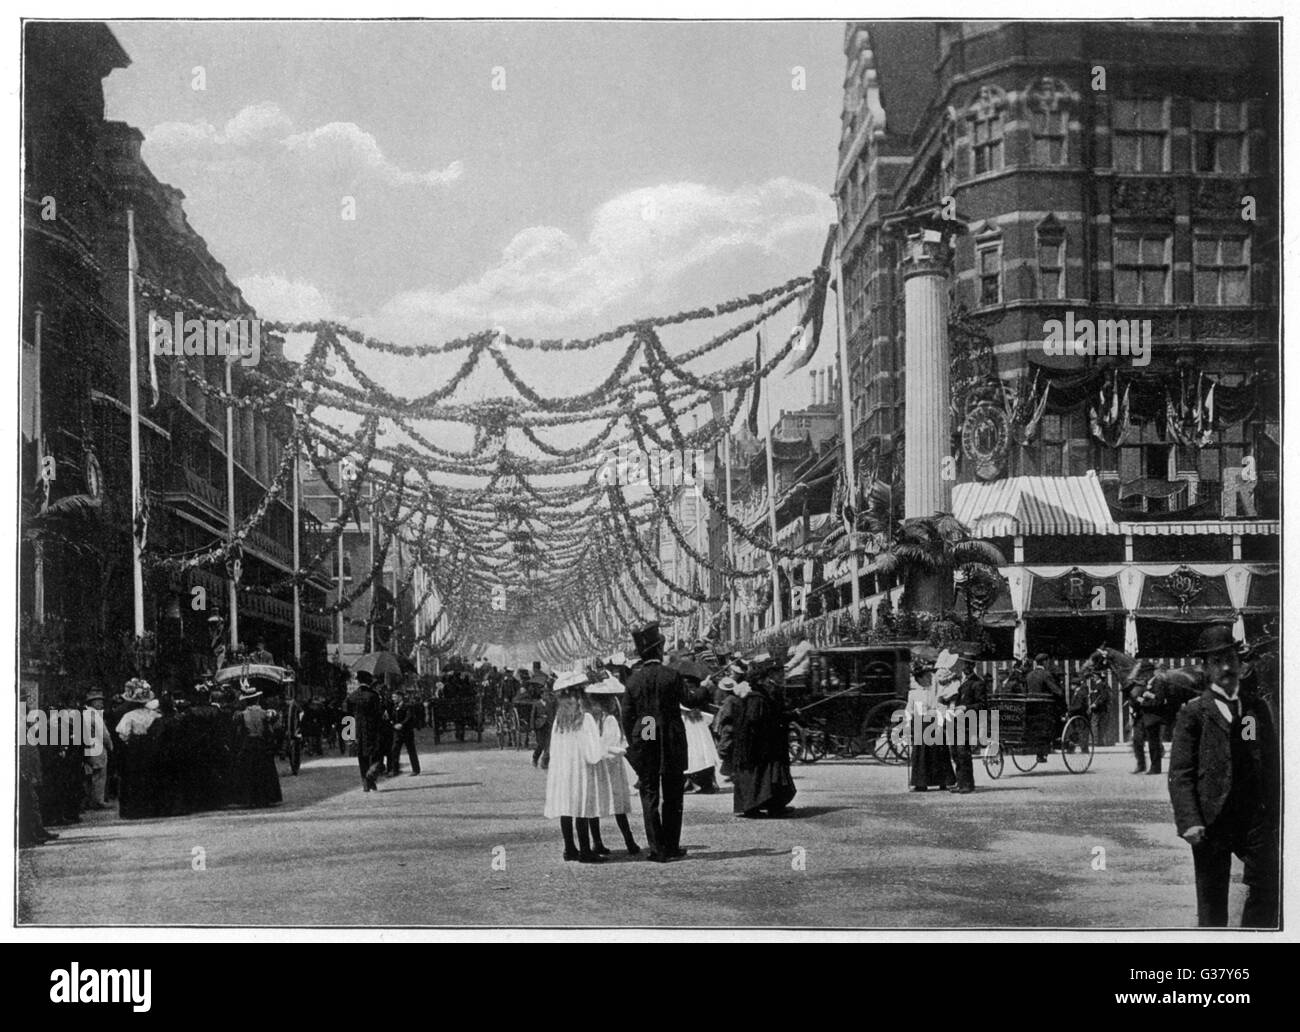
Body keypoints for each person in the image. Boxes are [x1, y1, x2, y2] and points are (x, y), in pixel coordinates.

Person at [1168, 625, 1279, 928]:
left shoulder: (1255, 709)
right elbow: (1180, 773)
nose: (1227, 667)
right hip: (1211, 818)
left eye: (1230, 658)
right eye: (1217, 661)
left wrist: (1276, 812)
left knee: (1269, 883)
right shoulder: (1194, 713)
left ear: (1240, 661)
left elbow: (1269, 763)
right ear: (1205, 668)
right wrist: (1189, 820)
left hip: (1253, 816)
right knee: (1212, 899)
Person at [623, 622, 689, 861]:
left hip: (647, 736)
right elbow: (690, 701)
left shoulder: (633, 681)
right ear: (659, 650)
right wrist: (707, 687)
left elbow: (627, 718)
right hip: (671, 740)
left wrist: (635, 744)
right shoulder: (672, 675)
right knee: (673, 794)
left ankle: (657, 848)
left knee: (650, 793)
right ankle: (672, 845)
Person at [544, 670, 605, 863]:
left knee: (566, 807)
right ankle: (586, 850)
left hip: (563, 770)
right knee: (581, 807)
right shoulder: (585, 719)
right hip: (580, 768)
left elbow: (553, 746)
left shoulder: (559, 721)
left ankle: (569, 848)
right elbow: (593, 750)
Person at [582, 674, 642, 857]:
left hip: (600, 763)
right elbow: (616, 743)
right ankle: (626, 841)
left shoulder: (596, 720)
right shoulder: (607, 720)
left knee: (599, 804)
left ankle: (601, 841)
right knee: (615, 804)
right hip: (609, 763)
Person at [730, 654, 796, 817]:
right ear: (769, 675)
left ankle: (773, 804)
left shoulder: (767, 691)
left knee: (769, 773)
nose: (782, 675)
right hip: (758, 742)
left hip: (766, 740)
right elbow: (758, 718)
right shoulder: (759, 695)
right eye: (778, 672)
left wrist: (788, 715)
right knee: (760, 773)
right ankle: (754, 806)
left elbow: (774, 712)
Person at [907, 646, 955, 793]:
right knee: (921, 756)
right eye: (925, 676)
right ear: (919, 679)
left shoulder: (936, 691)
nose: (928, 678)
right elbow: (909, 711)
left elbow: (941, 705)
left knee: (939, 754)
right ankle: (921, 783)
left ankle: (944, 781)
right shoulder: (913, 694)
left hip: (934, 723)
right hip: (920, 726)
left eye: (929, 676)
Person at [229, 684, 283, 807]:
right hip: (262, 744)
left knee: (248, 771)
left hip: (248, 744)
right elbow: (274, 728)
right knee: (264, 771)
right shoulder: (266, 713)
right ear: (257, 699)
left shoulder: (241, 714)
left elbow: (238, 732)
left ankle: (250, 798)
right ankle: (266, 797)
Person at [115, 679, 161, 819]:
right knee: (149, 776)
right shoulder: (154, 714)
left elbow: (123, 734)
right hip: (151, 747)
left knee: (133, 778)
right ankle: (150, 807)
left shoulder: (129, 716)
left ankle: (134, 809)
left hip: (134, 749)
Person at [944, 646, 988, 794]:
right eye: (964, 664)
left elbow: (982, 705)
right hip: (955, 722)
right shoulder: (957, 682)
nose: (966, 667)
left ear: (973, 666)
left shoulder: (978, 683)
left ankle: (968, 784)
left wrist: (965, 708)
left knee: (963, 753)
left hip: (968, 723)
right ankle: (960, 781)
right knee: (955, 752)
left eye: (969, 664)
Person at [178, 682, 228, 811]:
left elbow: (184, 730)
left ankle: (197, 801)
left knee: (196, 773)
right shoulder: (216, 711)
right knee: (213, 772)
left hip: (196, 746)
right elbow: (221, 729)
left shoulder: (190, 712)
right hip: (212, 745)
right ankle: (214, 800)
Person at [680, 676, 720, 794]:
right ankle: (693, 782)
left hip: (697, 725)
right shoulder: (689, 695)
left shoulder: (698, 695)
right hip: (689, 725)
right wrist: (703, 687)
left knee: (703, 752)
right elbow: (690, 702)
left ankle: (706, 782)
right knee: (695, 752)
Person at [348, 672, 387, 792]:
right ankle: (371, 776)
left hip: (357, 731)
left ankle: (365, 783)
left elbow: (346, 717)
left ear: (358, 681)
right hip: (372, 730)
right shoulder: (374, 695)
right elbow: (379, 714)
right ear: (369, 681)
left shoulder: (352, 696)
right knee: (376, 755)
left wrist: (348, 736)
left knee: (362, 757)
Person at [1024, 653, 1063, 763]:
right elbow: (1056, 691)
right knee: (1058, 716)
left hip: (1031, 709)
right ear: (1045, 662)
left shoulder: (1029, 675)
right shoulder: (1046, 674)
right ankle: (1057, 740)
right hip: (1044, 709)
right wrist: (1060, 693)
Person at [81, 690, 112, 810]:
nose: (101, 703)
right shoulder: (95, 716)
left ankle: (88, 800)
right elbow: (104, 734)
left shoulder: (84, 714)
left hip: (87, 746)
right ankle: (98, 801)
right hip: (97, 747)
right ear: (92, 702)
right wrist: (110, 746)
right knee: (99, 775)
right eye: (99, 701)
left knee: (89, 775)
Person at [387, 688, 421, 776]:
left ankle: (416, 769)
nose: (393, 699)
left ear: (400, 697)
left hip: (407, 732)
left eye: (395, 697)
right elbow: (392, 718)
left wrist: (402, 724)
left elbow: (409, 717)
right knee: (394, 750)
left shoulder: (407, 706)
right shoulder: (394, 707)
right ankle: (395, 770)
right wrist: (393, 723)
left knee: (411, 750)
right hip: (397, 732)